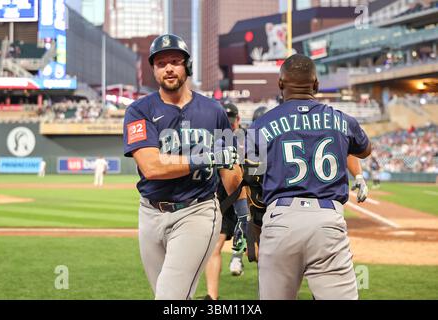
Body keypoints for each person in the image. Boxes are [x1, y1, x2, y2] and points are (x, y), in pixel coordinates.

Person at [122, 34, 249, 300]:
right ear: (154, 70)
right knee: (176, 298)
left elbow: (229, 169)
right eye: (161, 63)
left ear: (186, 66)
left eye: (175, 61)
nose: (168, 68)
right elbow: (152, 167)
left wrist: (242, 216)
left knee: (169, 297)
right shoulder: (139, 110)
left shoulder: (214, 111)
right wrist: (208, 158)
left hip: (197, 211)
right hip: (150, 213)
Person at [247, 54, 371, 300]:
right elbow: (364, 149)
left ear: (281, 84)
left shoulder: (260, 125)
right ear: (316, 85)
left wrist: (255, 227)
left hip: (280, 219)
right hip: (327, 220)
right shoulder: (341, 119)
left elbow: (252, 179)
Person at [203, 102, 245, 300]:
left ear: (238, 120)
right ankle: (212, 297)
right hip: (223, 199)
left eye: (231, 121)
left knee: (261, 247)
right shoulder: (216, 139)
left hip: (246, 198)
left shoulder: (249, 139)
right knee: (214, 247)